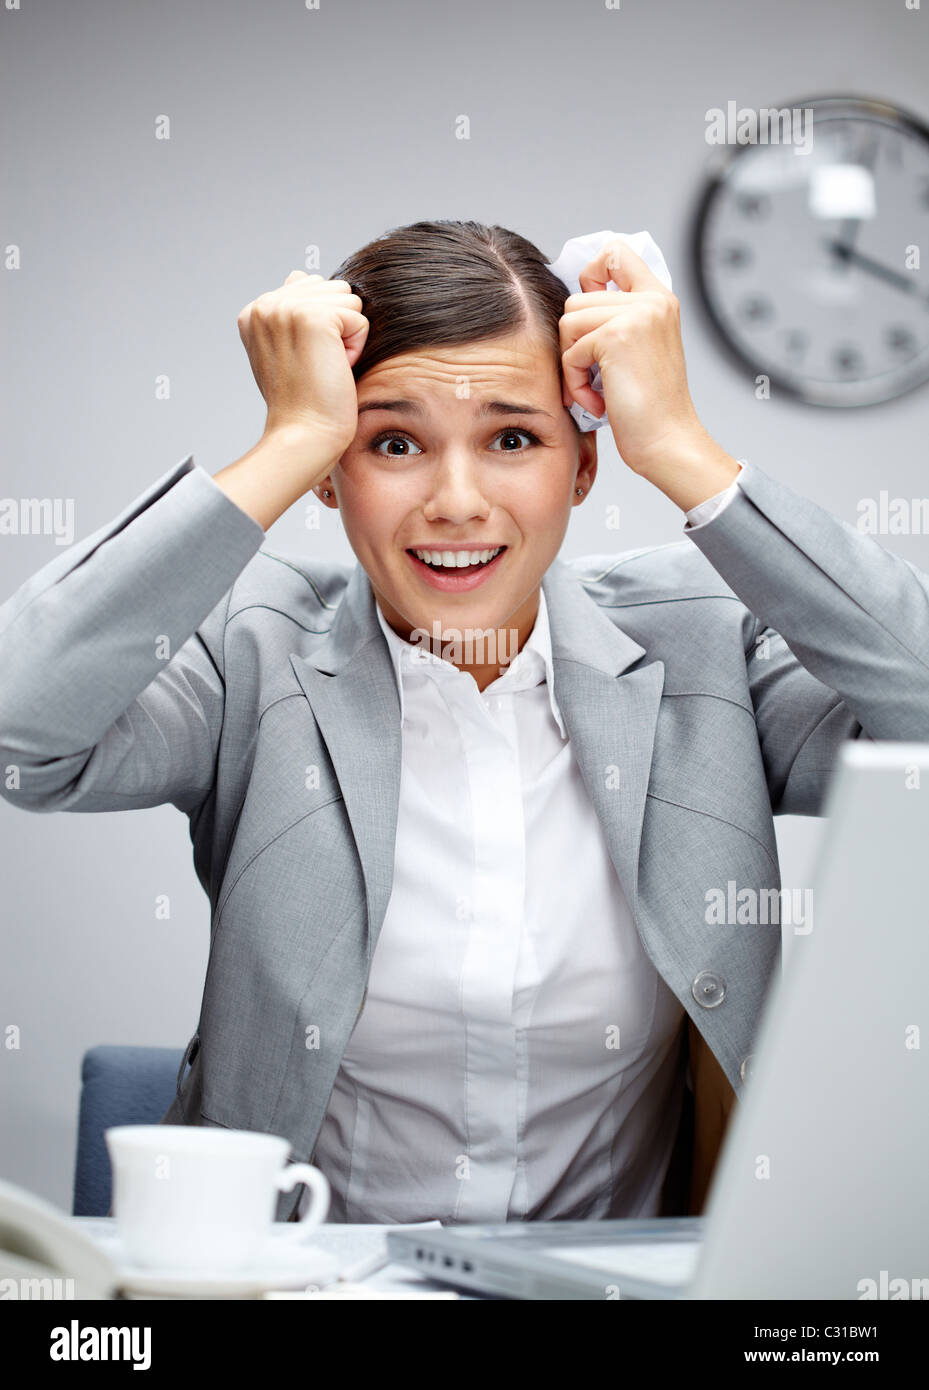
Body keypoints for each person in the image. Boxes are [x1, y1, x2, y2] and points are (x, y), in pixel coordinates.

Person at [2, 219, 927, 1225]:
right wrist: (281, 443)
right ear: (330, 471)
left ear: (581, 467)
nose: (455, 501)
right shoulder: (251, 655)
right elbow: (19, 733)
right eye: (390, 442)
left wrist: (678, 448)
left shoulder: (706, 647)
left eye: (513, 439)